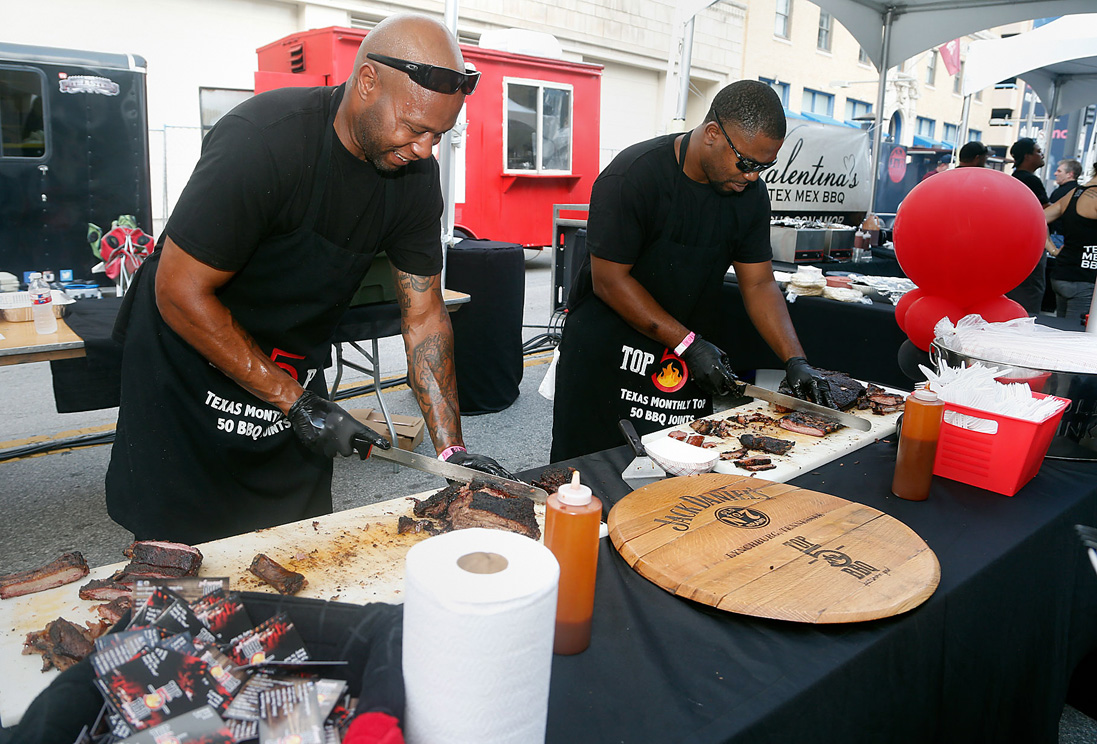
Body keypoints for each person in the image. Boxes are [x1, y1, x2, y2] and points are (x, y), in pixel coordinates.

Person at [106, 14, 510, 544]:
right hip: (186, 362)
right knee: (178, 558)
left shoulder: (413, 176)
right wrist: (295, 401)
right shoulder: (264, 142)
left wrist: (451, 452)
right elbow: (179, 291)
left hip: (290, 363)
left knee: (297, 545)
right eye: (414, 128)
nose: (425, 149)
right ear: (367, 82)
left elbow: (425, 315)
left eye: (439, 135)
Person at [549, 80, 833, 462]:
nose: (752, 177)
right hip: (608, 358)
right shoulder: (634, 175)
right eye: (747, 163)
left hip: (684, 361)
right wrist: (690, 344)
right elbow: (610, 281)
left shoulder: (749, 196)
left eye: (764, 167)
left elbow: (760, 283)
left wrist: (795, 360)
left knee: (679, 481)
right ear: (713, 134)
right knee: (589, 482)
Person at [1043, 163, 1097, 321]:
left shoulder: (1075, 193)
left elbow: (1038, 218)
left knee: (1063, 331)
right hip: (1084, 278)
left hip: (1063, 272)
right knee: (1075, 337)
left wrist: (1052, 250)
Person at [1006, 138, 1050, 315]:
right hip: (1030, 245)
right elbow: (1046, 211)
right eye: (1038, 151)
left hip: (1013, 244)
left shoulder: (1014, 179)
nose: (1042, 155)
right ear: (1027, 156)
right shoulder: (1031, 181)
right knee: (1030, 292)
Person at [1048, 158, 1082, 251]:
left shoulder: (1060, 193)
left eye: (1059, 171)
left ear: (1069, 174)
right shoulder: (1079, 192)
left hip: (1057, 237)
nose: (1055, 174)